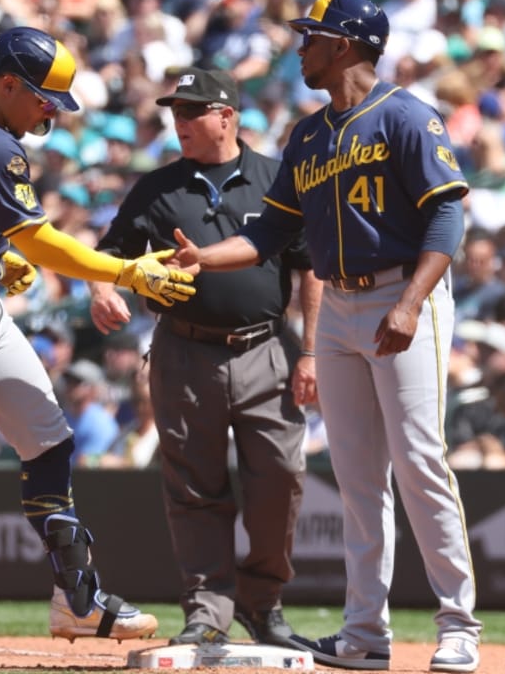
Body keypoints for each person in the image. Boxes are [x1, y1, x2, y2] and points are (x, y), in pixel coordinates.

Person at [169, 0, 481, 673]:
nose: (300, 47)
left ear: (343, 45)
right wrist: (203, 258)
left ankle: (459, 625)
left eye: (310, 37)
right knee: (357, 476)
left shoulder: (405, 115)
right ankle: (365, 633)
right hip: (338, 303)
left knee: (420, 460)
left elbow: (447, 217)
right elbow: (270, 232)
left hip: (404, 291)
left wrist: (410, 304)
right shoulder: (308, 134)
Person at [0, 26, 195, 669]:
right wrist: (125, 272)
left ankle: (77, 598)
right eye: (45, 99)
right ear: (7, 84)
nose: (51, 114)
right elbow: (41, 240)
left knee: (49, 440)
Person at [88, 67, 319, 648]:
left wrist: (312, 352)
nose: (181, 121)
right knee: (194, 489)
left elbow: (309, 268)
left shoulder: (276, 178)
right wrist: (102, 289)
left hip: (266, 347)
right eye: (176, 111)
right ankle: (208, 611)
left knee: (281, 479)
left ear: (227, 116)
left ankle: (262, 603)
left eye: (193, 110)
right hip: (184, 349)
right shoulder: (158, 186)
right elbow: (110, 252)